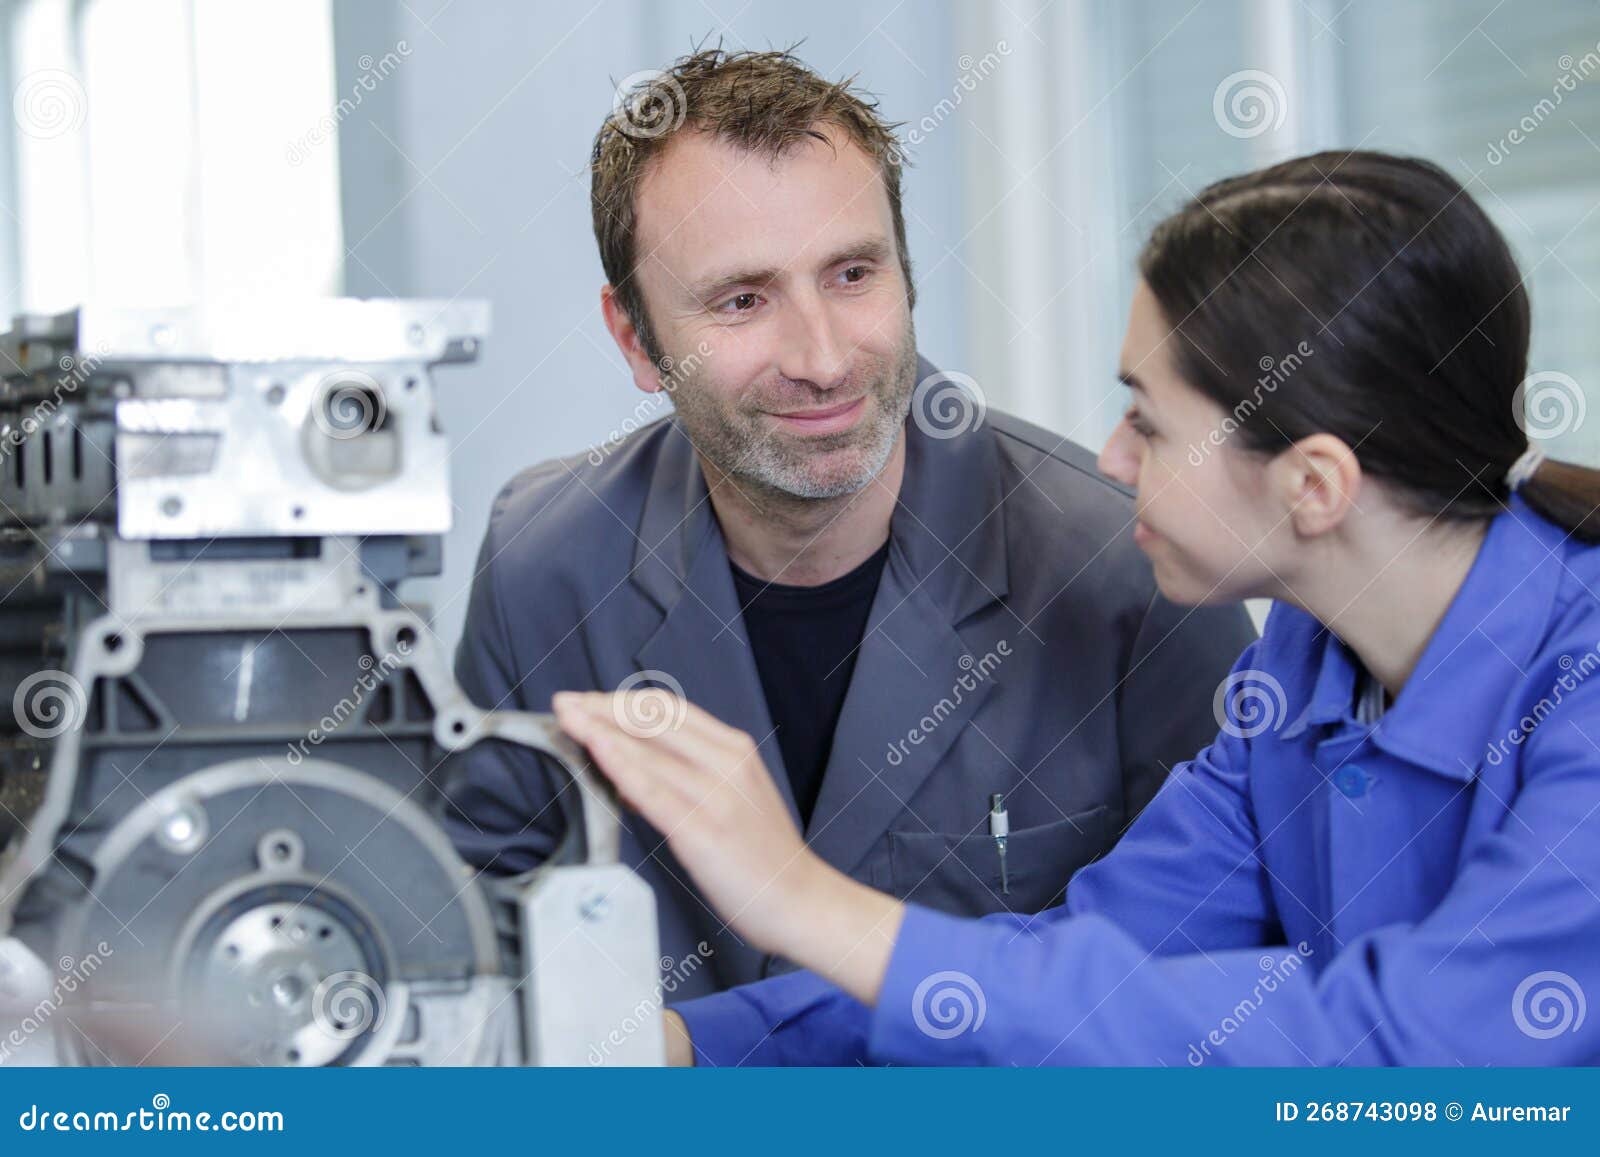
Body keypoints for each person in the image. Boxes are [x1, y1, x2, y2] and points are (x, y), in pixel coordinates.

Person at [554, 149, 1600, 1065]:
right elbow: (1086, 966)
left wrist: (800, 898)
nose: (1110, 457)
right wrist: (704, 1046)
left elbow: (1417, 1058)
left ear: (1312, 485)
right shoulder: (1299, 671)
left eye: (1146, 423)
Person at [442, 48, 1253, 997]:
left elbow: (1214, 992)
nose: (822, 358)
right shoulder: (542, 565)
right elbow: (475, 948)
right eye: (743, 300)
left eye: (853, 274)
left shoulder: (1128, 564)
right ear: (637, 339)